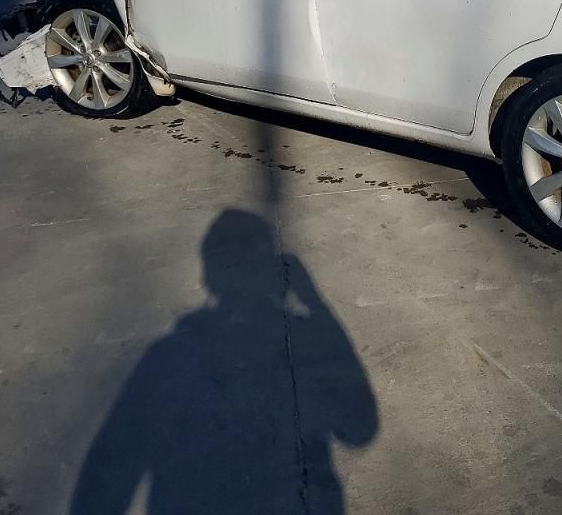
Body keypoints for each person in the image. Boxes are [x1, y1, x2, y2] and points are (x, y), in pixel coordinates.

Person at [70, 210, 377, 515]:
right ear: (272, 274)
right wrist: (315, 304)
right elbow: (359, 426)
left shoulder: (168, 359)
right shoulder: (303, 342)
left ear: (208, 277)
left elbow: (104, 480)